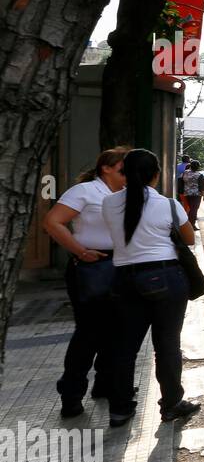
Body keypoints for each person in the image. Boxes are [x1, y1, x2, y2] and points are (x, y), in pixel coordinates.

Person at [101, 148, 200, 428]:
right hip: (166, 278)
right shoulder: (168, 205)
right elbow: (189, 239)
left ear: (124, 173)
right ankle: (171, 405)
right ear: (156, 175)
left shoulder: (108, 203)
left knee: (124, 347)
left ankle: (120, 409)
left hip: (124, 279)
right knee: (167, 345)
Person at [42, 147, 129, 417]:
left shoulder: (125, 195)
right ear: (106, 168)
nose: (127, 174)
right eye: (122, 169)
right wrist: (79, 251)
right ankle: (71, 393)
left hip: (119, 265)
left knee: (116, 331)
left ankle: (106, 384)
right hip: (92, 265)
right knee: (89, 332)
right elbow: (52, 222)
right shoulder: (85, 191)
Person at [181, 159, 204, 229]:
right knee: (194, 210)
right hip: (196, 195)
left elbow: (182, 181)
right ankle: (192, 225)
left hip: (187, 193)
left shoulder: (185, 173)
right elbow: (202, 187)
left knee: (191, 209)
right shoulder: (199, 175)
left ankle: (190, 224)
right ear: (198, 167)